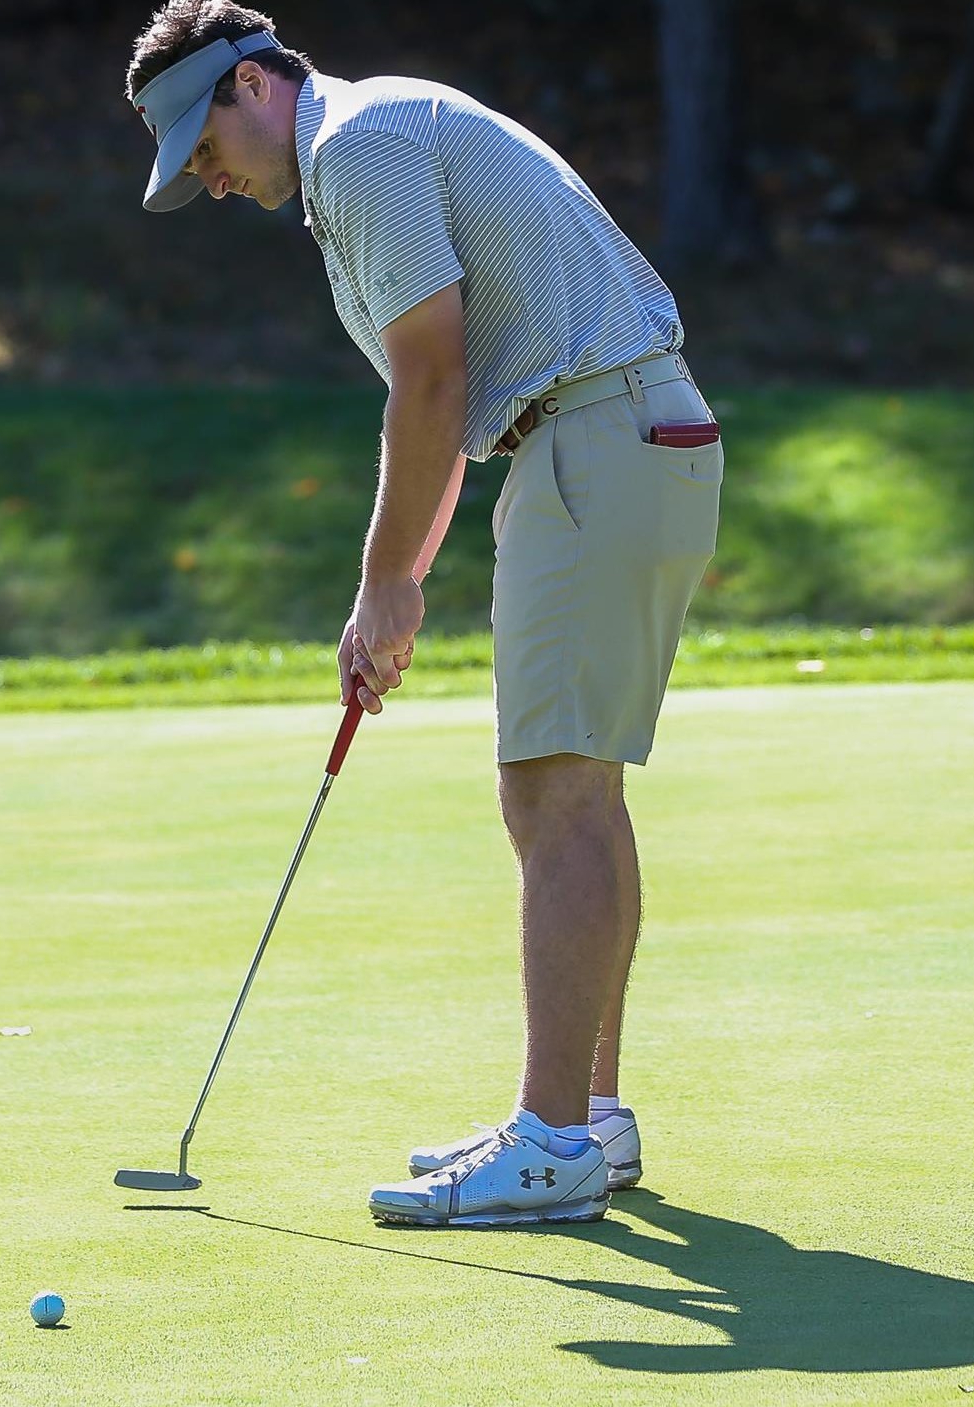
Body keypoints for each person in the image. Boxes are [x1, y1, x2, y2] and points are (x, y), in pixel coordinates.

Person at [124, 2, 722, 1228]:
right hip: (597, 440)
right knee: (567, 788)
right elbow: (445, 408)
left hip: (599, 438)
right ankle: (587, 1121)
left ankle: (553, 1141)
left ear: (252, 83)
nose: (209, 175)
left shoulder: (362, 146)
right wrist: (396, 589)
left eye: (203, 141)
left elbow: (435, 378)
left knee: (555, 789)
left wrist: (385, 581)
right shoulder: (366, 149)